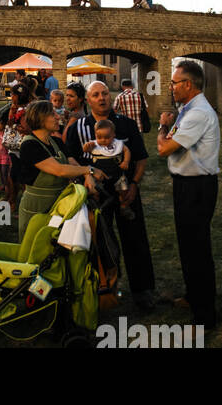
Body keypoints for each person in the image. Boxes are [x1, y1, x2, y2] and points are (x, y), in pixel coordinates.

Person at [65, 81, 156, 309]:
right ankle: (104, 289)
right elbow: (69, 157)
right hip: (96, 194)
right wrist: (85, 175)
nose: (102, 97)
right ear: (88, 100)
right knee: (100, 243)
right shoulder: (80, 127)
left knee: (135, 239)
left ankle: (142, 291)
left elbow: (141, 157)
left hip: (126, 191)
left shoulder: (125, 125)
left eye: (105, 93)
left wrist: (134, 184)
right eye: (95, 94)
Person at [155, 60, 222, 326]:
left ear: (188, 84)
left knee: (198, 249)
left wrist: (162, 127)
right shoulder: (187, 109)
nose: (170, 87)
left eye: (174, 82)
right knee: (187, 246)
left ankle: (205, 315)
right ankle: (193, 297)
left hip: (197, 187)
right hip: (186, 185)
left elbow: (164, 148)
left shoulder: (198, 113)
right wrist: (167, 131)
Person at [16, 100, 105, 237]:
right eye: (53, 114)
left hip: (59, 204)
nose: (58, 117)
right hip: (38, 208)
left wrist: (87, 175)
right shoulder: (29, 145)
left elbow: (72, 164)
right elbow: (60, 170)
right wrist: (90, 170)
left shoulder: (56, 142)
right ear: (40, 118)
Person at [84, 118, 135, 219]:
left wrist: (126, 161)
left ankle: (124, 206)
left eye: (107, 137)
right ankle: (96, 204)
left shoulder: (118, 144)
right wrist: (87, 147)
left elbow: (127, 150)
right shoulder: (94, 145)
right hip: (99, 176)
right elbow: (85, 150)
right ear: (95, 136)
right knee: (94, 190)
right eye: (99, 137)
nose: (103, 140)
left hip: (117, 175)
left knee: (124, 190)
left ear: (113, 135)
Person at [0, 116, 15, 206]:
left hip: (5, 156)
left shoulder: (6, 134)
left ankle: (7, 186)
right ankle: (3, 184)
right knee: (0, 172)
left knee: (4, 171)